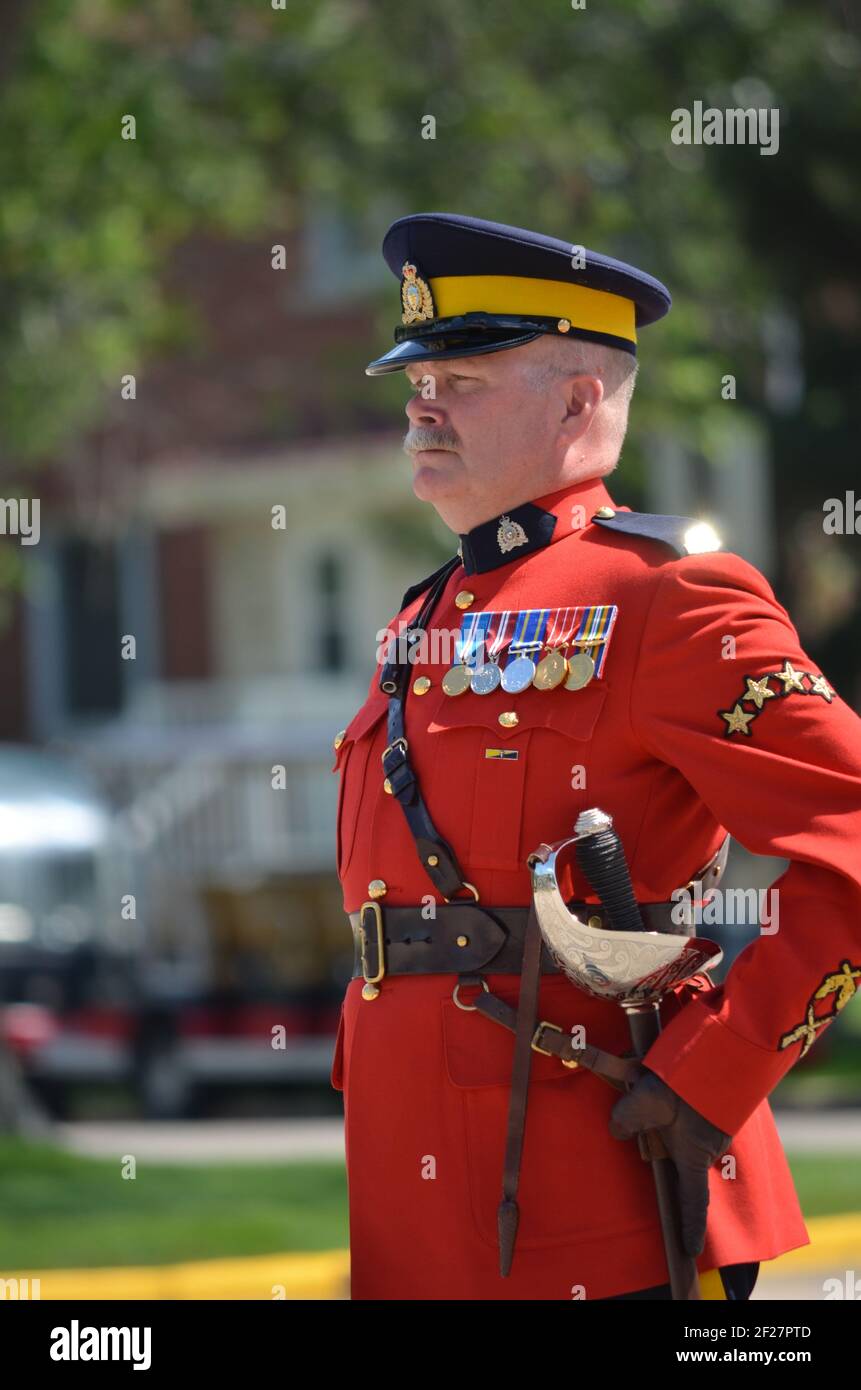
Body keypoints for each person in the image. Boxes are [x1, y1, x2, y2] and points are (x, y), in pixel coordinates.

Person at [328, 211, 861, 1300]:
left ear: (578, 401)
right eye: (418, 376)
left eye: (466, 376)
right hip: (417, 1199)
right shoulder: (426, 614)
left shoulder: (665, 594)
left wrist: (717, 1071)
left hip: (592, 1189)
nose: (423, 400)